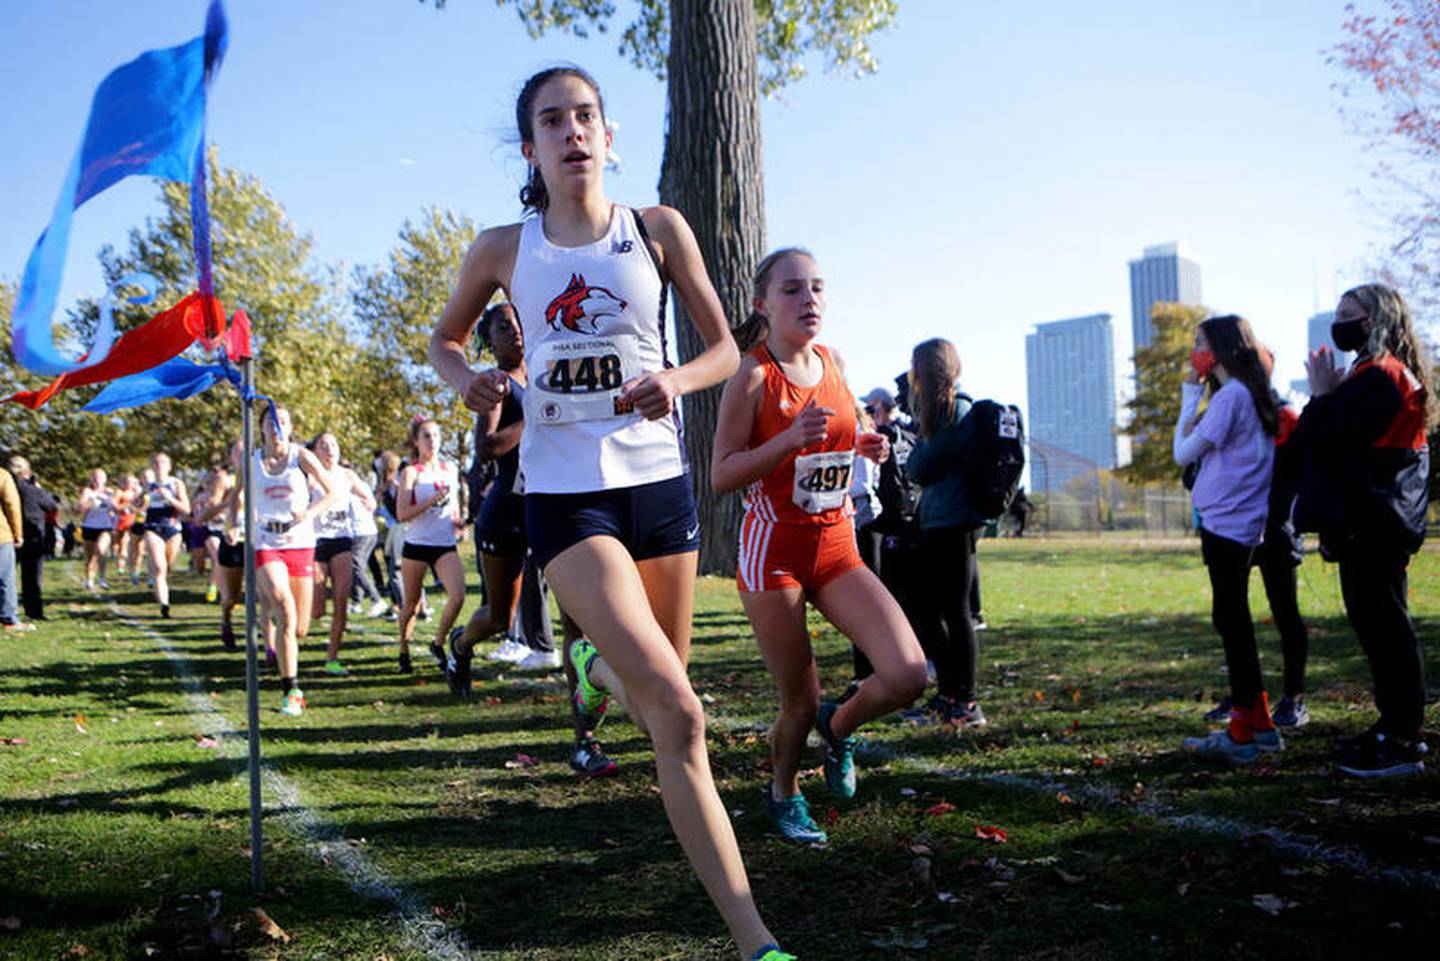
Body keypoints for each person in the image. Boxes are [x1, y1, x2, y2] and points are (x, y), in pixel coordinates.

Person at [428, 66, 793, 961]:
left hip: (658, 487)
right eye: (552, 121)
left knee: (657, 699)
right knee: (681, 713)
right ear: (531, 148)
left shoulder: (658, 230)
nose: (572, 131)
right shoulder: (502, 248)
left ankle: (591, 670)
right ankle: (756, 940)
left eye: (585, 115)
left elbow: (721, 348)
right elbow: (442, 339)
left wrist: (672, 378)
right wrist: (466, 378)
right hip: (565, 494)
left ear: (608, 132)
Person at [713, 247, 927, 846]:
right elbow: (723, 474)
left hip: (836, 545)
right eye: (792, 290)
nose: (809, 300)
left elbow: (841, 429)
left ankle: (842, 725)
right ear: (763, 303)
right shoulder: (752, 375)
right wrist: (784, 442)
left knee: (908, 673)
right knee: (797, 702)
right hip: (772, 552)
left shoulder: (832, 360)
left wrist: (866, 444)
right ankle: (784, 793)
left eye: (817, 288)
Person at [1294, 283, 1434, 778]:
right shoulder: (1375, 374)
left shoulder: (1381, 376)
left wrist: (1320, 397)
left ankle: (1400, 739)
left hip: (1375, 523)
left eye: (1349, 313)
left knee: (1387, 630)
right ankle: (1393, 725)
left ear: (1375, 321)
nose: (1340, 321)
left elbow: (1324, 441)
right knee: (1380, 630)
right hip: (1371, 522)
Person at [1173, 315, 1281, 765]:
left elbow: (1182, 452)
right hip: (1239, 521)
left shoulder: (1231, 396)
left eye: (1198, 342)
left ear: (1217, 349)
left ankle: (1244, 731)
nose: (1194, 351)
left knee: (1232, 622)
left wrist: (1188, 401)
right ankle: (1258, 724)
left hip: (1226, 523)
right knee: (1233, 619)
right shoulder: (1249, 395)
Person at [901, 340, 993, 728]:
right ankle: (948, 693)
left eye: (915, 368)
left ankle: (966, 701)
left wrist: (918, 450)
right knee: (926, 609)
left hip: (955, 524)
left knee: (955, 613)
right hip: (936, 522)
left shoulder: (959, 412)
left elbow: (920, 466)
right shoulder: (937, 413)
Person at [254, 404, 337, 715]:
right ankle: (292, 690)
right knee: (283, 605)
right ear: (261, 427)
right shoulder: (251, 461)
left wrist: (308, 514)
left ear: (290, 428)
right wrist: (236, 525)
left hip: (299, 541)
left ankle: (283, 643)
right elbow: (239, 497)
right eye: (271, 421)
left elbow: (331, 491)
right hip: (266, 540)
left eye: (283, 421)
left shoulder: (301, 456)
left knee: (299, 628)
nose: (276, 426)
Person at [395, 417, 466, 675]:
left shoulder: (450, 469)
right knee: (411, 605)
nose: (432, 441)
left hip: (444, 543)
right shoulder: (411, 472)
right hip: (417, 544)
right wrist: (431, 501)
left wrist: (458, 522)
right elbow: (402, 514)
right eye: (426, 436)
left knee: (458, 597)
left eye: (436, 435)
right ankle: (404, 648)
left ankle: (437, 642)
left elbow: (453, 506)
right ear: (416, 441)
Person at [310, 432, 373, 677]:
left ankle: (332, 659)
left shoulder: (347, 475)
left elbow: (368, 495)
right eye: (323, 446)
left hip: (342, 542)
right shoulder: (312, 477)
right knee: (316, 611)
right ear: (315, 451)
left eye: (333, 444)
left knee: (341, 602)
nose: (330, 449)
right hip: (316, 544)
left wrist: (369, 502)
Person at [198, 443, 244, 649]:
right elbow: (203, 516)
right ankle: (226, 619)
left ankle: (270, 644)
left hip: (258, 538)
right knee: (231, 597)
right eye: (238, 452)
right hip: (230, 538)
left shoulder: (263, 473)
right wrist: (229, 503)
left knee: (265, 592)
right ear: (231, 456)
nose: (243, 455)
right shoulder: (224, 480)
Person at [139, 452, 190, 619]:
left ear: (169, 466)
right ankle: (164, 606)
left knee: (167, 567)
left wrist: (169, 499)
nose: (158, 466)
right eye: (155, 463)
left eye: (162, 463)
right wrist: (142, 500)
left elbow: (186, 509)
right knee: (160, 567)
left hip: (172, 527)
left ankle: (156, 581)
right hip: (153, 526)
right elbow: (136, 504)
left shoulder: (176, 483)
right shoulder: (148, 485)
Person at [10, 457, 58, 622]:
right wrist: (39, 488)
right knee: (32, 576)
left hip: (10, 535)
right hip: (32, 535)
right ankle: (33, 611)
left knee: (6, 574)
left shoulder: (8, 488)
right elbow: (51, 504)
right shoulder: (32, 490)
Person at [77, 468, 117, 591]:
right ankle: (89, 580)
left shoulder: (110, 492)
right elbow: (79, 509)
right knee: (90, 557)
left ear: (105, 480)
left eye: (100, 478)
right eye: (94, 478)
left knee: (101, 549)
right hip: (89, 526)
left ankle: (102, 577)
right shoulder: (87, 491)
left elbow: (117, 509)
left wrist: (112, 503)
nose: (97, 481)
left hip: (104, 526)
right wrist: (90, 501)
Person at [0, 464, 28, 632]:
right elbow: (12, 505)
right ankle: (9, 618)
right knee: (5, 578)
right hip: (1, 535)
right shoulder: (2, 475)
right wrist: (18, 533)